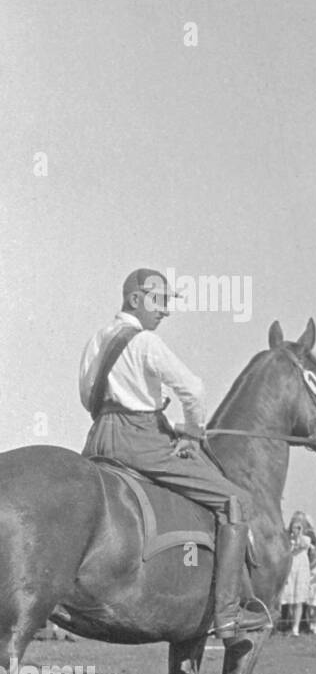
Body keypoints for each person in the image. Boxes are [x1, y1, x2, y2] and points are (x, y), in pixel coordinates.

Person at [78, 268, 270, 638]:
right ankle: (228, 612)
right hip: (141, 439)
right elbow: (193, 389)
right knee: (236, 499)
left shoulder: (96, 341)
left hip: (98, 435)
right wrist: (193, 432)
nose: (165, 310)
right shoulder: (146, 342)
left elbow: (87, 396)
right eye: (159, 300)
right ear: (135, 299)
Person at [281, 519, 313, 636]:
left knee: (298, 600)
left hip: (301, 569)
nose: (297, 530)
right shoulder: (287, 540)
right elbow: (288, 551)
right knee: (289, 599)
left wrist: (298, 536)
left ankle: (296, 627)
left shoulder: (306, 539)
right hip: (291, 568)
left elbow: (301, 546)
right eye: (295, 527)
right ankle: (288, 624)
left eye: (299, 527)